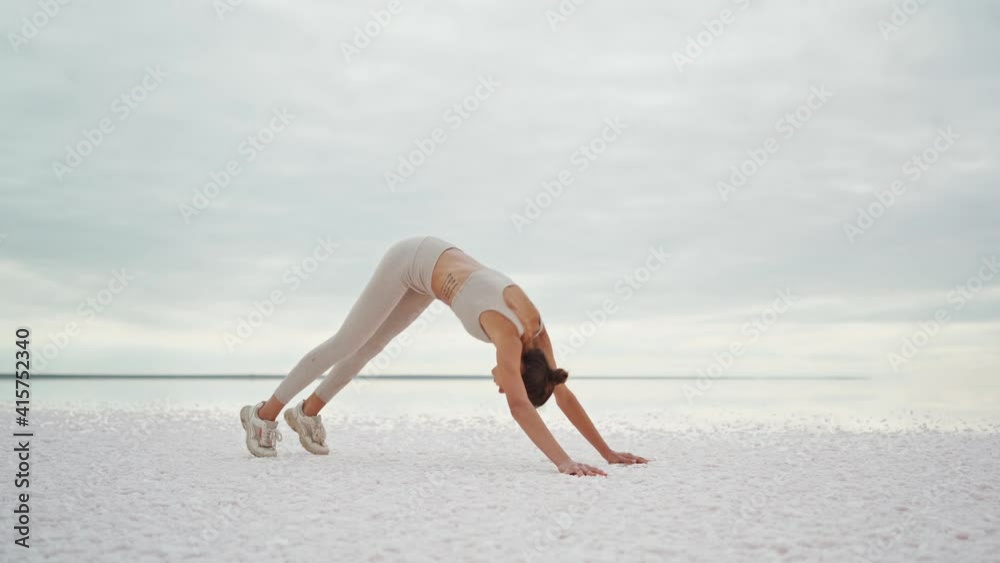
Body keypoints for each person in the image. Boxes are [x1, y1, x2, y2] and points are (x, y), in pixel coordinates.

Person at [240, 235, 647, 476]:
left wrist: (606, 452)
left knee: (372, 348)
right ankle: (264, 415)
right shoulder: (508, 335)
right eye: (507, 387)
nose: (501, 390)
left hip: (430, 280)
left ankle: (307, 412)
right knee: (347, 341)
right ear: (517, 370)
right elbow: (522, 409)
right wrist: (563, 463)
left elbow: (561, 392)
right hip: (413, 259)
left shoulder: (537, 337)